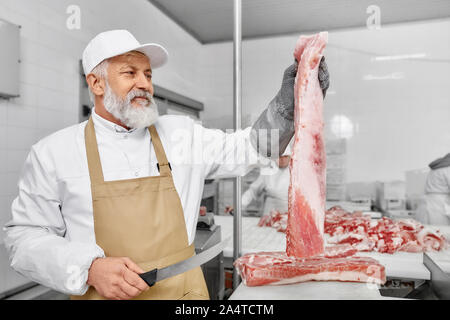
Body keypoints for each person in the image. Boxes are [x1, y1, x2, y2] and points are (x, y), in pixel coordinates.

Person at [3, 30, 329, 300]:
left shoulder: (180, 134)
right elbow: (24, 238)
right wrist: (87, 267)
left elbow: (249, 148)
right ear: (96, 84)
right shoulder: (53, 152)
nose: (144, 83)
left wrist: (289, 104)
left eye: (147, 74)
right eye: (130, 73)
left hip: (184, 295)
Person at [423, 153, 450, 225]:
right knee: (441, 229)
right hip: (440, 203)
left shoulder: (437, 167)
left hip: (428, 201)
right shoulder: (448, 168)